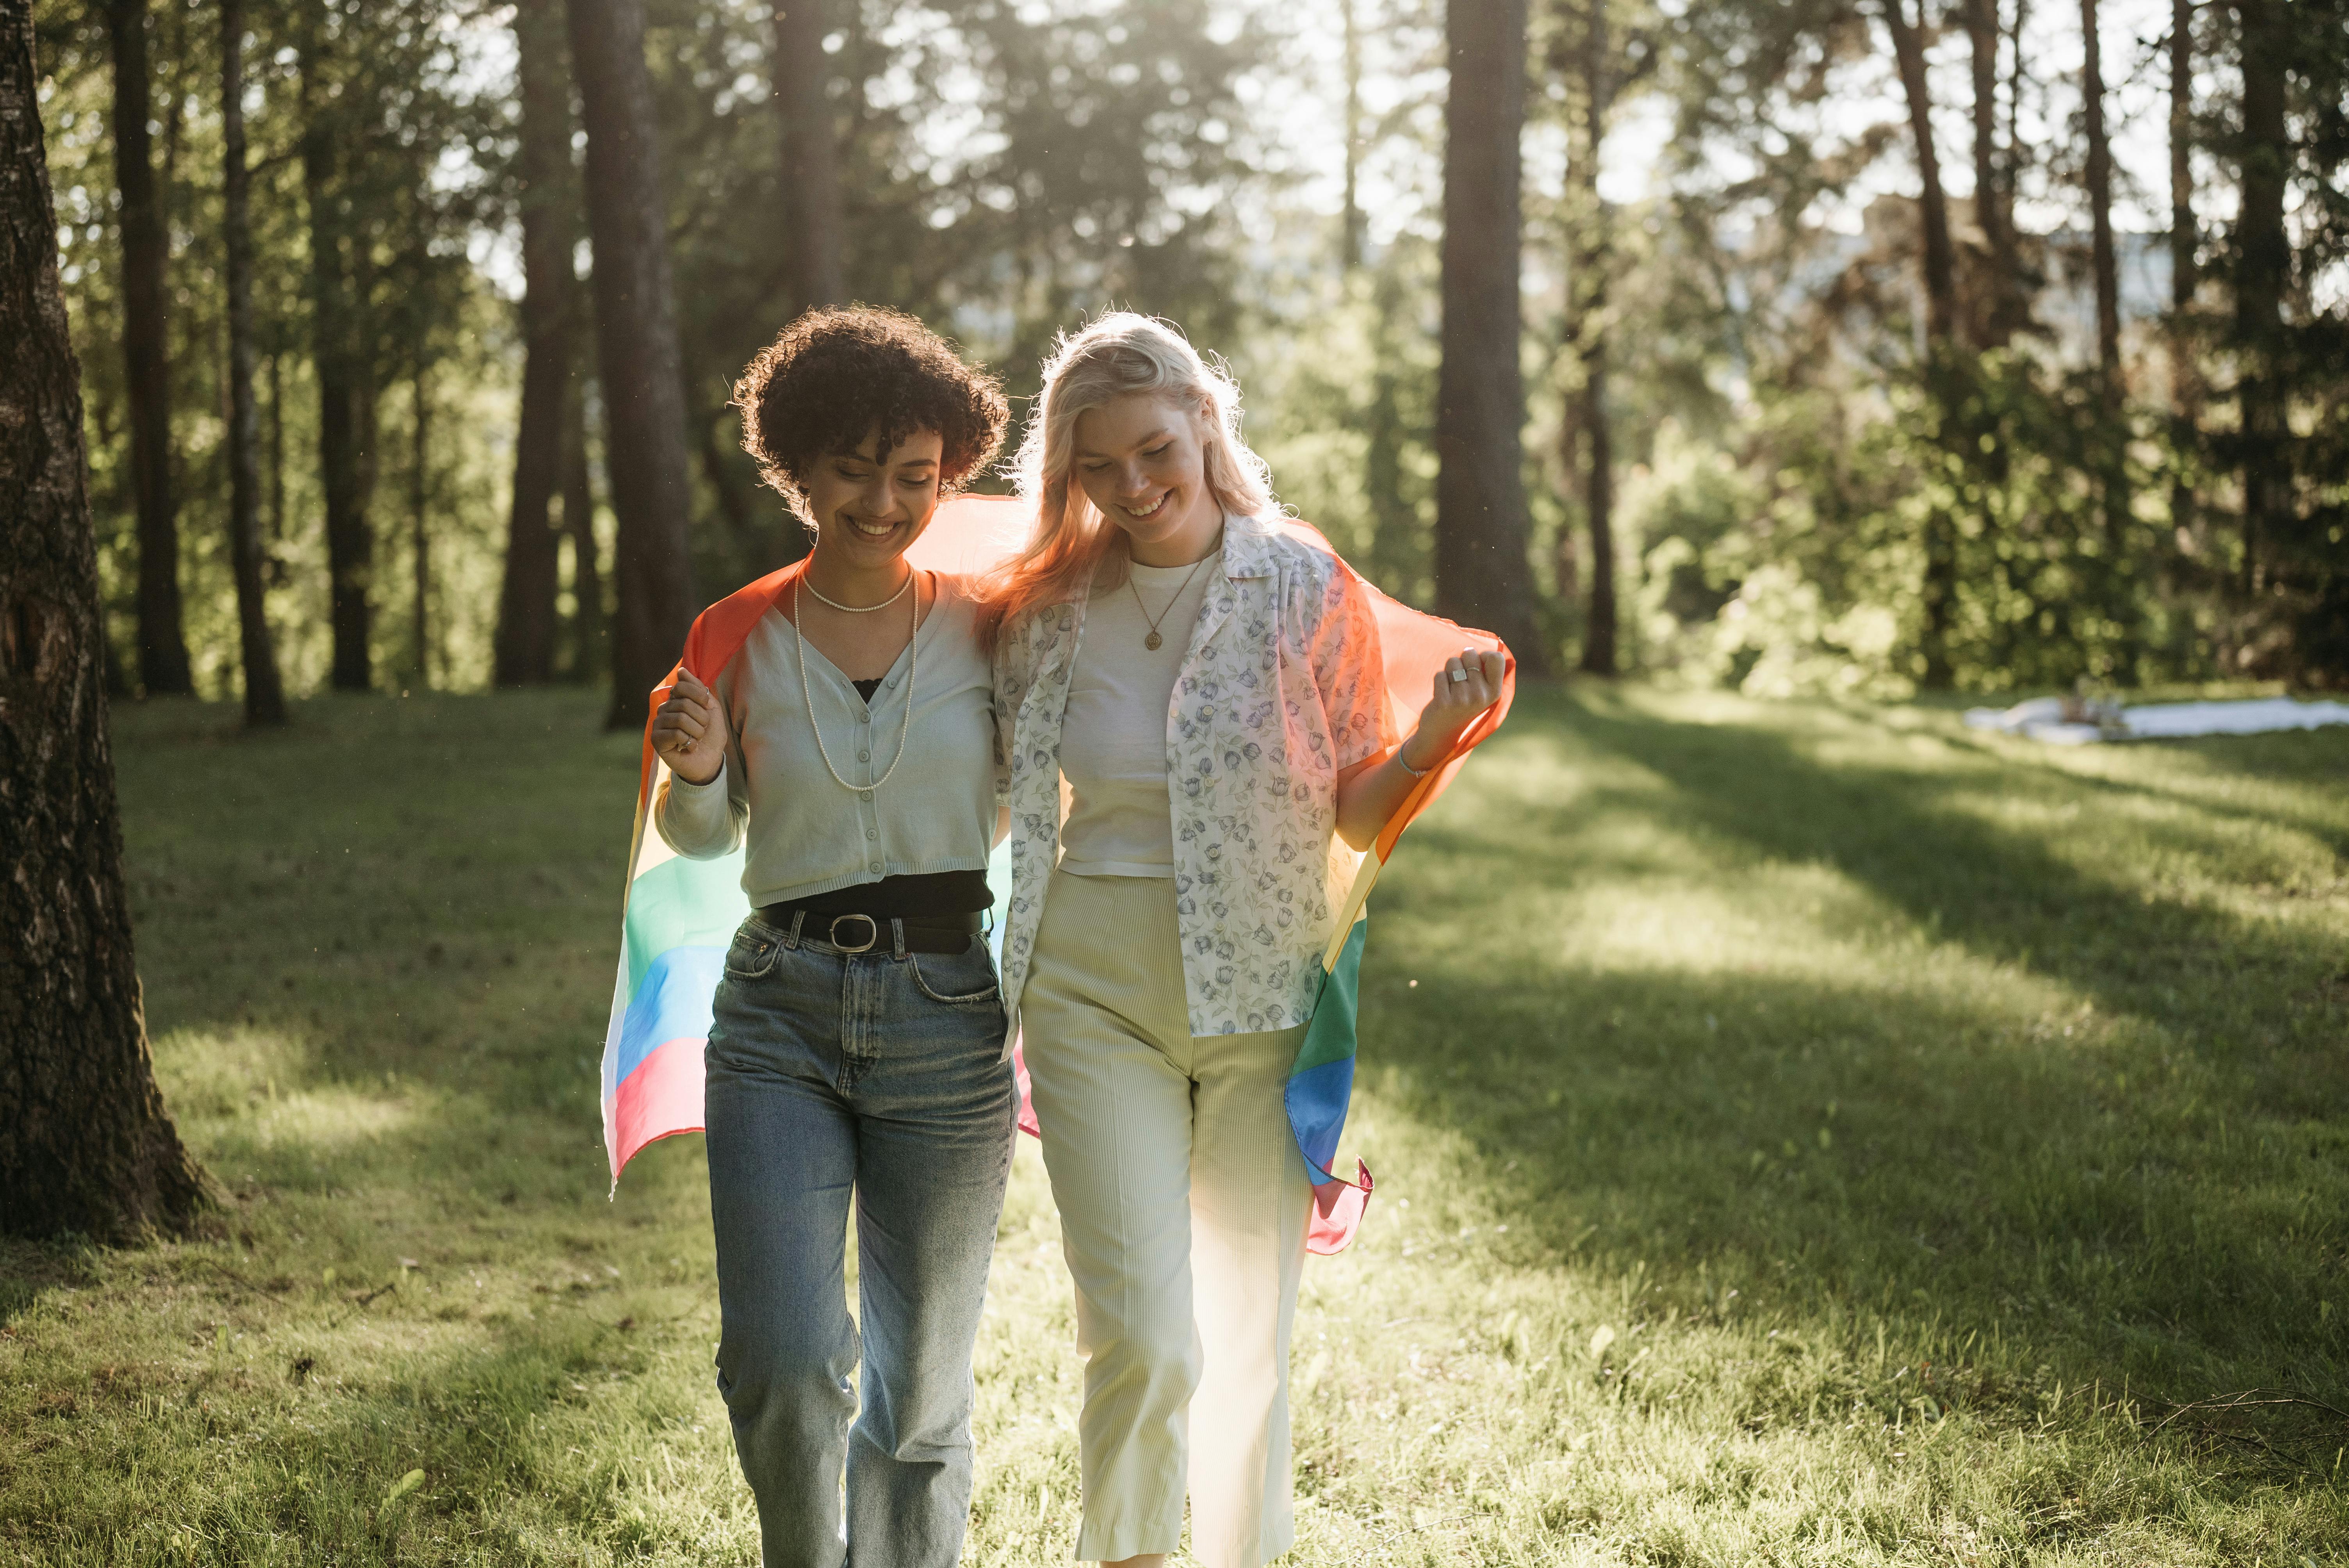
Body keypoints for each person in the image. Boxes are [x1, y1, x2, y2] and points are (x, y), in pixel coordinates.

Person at [980, 313, 1506, 1568]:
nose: (1131, 488)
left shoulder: (1302, 583)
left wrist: (1429, 739)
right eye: (1095, 469)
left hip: (1263, 990)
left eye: (1153, 450)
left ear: (1207, 424)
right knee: (1142, 1331)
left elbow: (1356, 804)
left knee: (1246, 1332)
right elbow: (987, 789)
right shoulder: (1046, 607)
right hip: (1089, 984)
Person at [649, 306, 1015, 1568]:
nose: (884, 501)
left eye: (916, 476)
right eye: (854, 469)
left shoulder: (992, 628)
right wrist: (695, 774)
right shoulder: (734, 633)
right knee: (783, 1356)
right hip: (778, 1016)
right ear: (797, 466)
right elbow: (701, 841)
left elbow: (1064, 781)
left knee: (919, 1396)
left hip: (947, 1014)